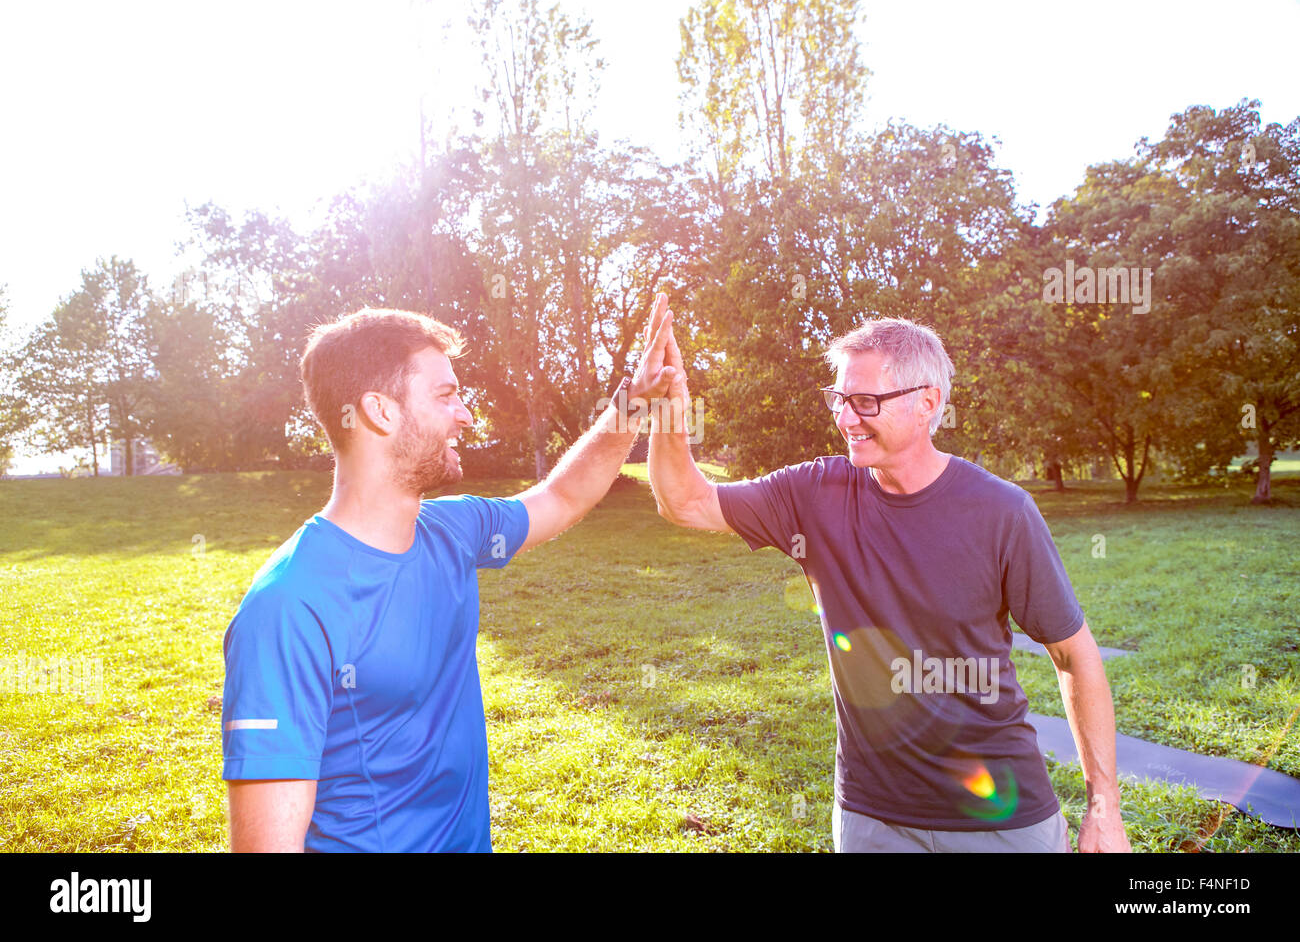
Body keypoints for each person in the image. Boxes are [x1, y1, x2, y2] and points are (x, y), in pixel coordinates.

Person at [648, 316, 1131, 852]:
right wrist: (670, 404)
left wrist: (1103, 807)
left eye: (866, 401)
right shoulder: (816, 493)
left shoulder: (1003, 511)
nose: (846, 417)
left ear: (928, 402)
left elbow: (1074, 655)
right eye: (839, 398)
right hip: (871, 819)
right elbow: (684, 501)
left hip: (1003, 818)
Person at [221, 295, 679, 852]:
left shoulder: (455, 531)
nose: (465, 414)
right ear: (380, 411)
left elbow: (561, 496)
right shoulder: (289, 606)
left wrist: (633, 403)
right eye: (446, 396)